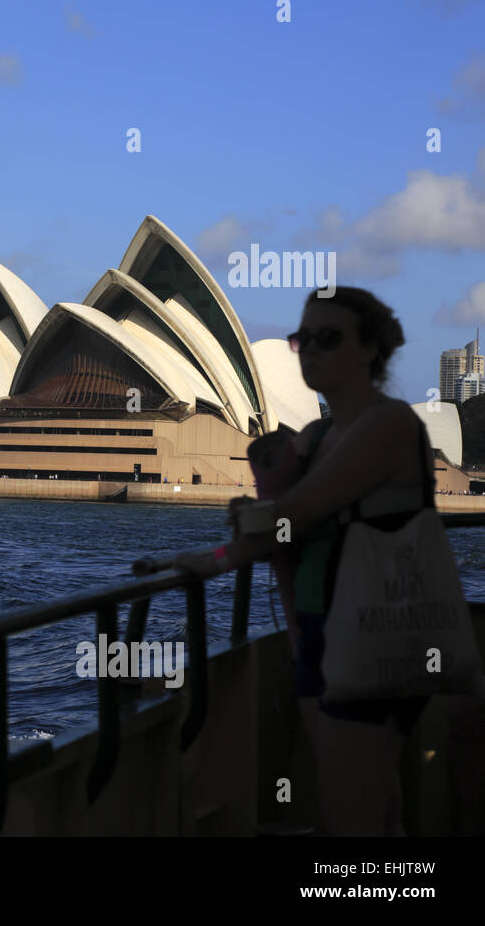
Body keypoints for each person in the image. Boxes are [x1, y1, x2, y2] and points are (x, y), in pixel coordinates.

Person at [177, 286, 431, 835]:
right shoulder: (315, 436)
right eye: (303, 339)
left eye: (329, 338)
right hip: (321, 630)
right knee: (372, 802)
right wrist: (213, 557)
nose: (310, 350)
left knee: (351, 811)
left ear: (370, 349)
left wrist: (254, 517)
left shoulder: (389, 426)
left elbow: (295, 511)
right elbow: (275, 529)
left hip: (375, 637)